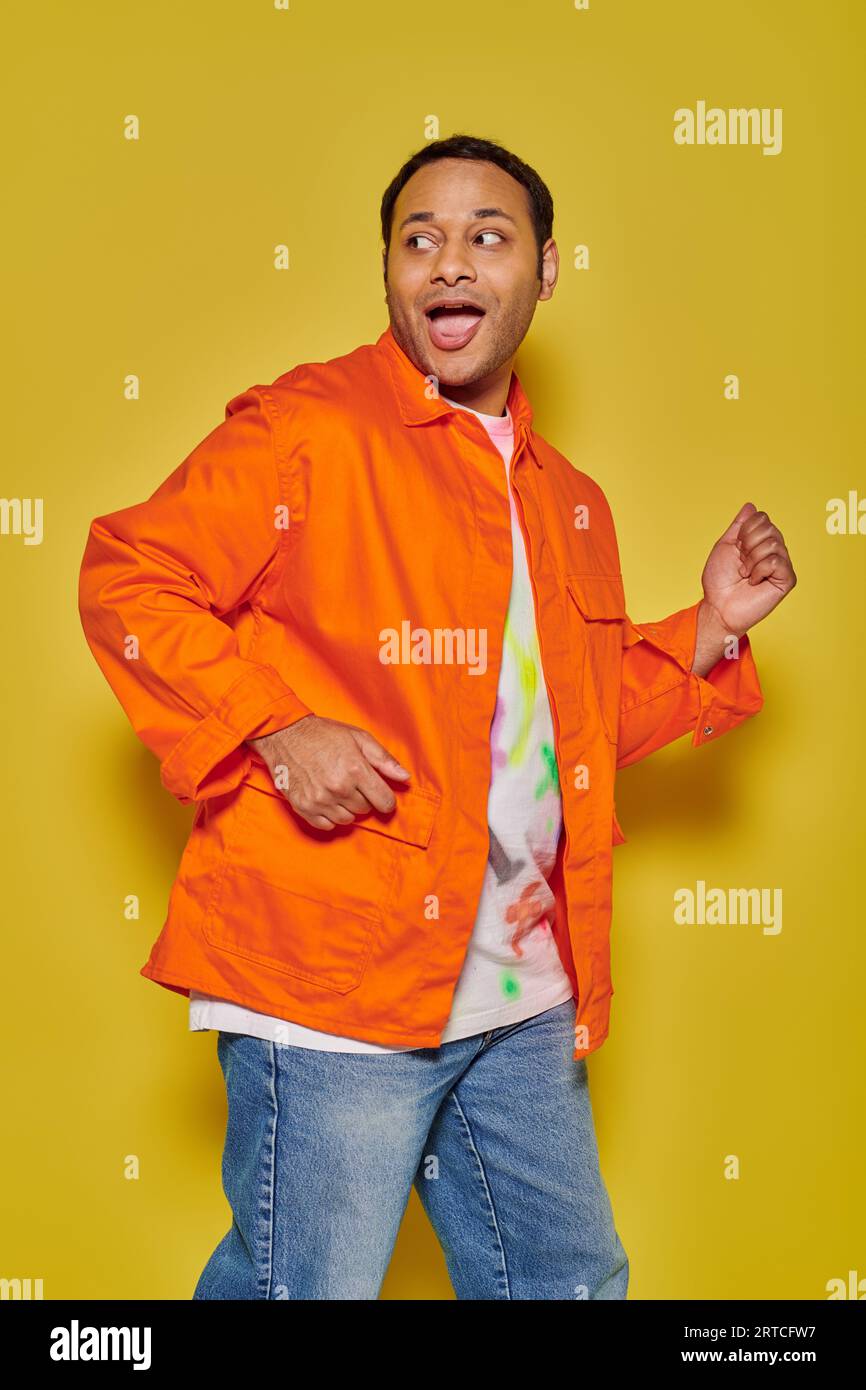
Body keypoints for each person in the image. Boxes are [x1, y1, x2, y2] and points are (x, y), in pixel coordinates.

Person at [77, 133, 796, 1300]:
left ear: (546, 269)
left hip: (520, 991)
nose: (448, 262)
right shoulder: (307, 429)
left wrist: (709, 627)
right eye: (419, 239)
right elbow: (126, 579)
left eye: (485, 236)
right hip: (331, 988)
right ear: (388, 272)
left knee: (566, 1283)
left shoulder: (568, 502)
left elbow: (564, 731)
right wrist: (272, 728)